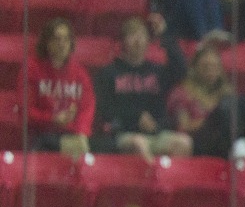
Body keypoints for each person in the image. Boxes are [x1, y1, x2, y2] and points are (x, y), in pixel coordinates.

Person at [94, 16, 189, 159]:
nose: (138, 41)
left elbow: (182, 71)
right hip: (124, 133)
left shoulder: (158, 71)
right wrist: (136, 117)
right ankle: (153, 179)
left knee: (184, 142)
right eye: (132, 35)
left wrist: (165, 35)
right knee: (139, 144)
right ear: (123, 41)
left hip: (155, 132)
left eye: (142, 35)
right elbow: (106, 109)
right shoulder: (108, 73)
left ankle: (171, 179)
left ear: (148, 41)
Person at [27, 18, 93, 158]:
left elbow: (87, 107)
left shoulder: (79, 73)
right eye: (57, 39)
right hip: (42, 133)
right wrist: (52, 118)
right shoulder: (32, 69)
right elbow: (27, 110)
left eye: (66, 39)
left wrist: (81, 131)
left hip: (73, 134)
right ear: (47, 42)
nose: (62, 44)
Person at [165, 42, 230, 157]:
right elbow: (183, 127)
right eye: (206, 66)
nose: (211, 71)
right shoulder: (182, 93)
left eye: (215, 66)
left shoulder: (227, 95)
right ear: (194, 68)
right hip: (195, 145)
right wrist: (210, 121)